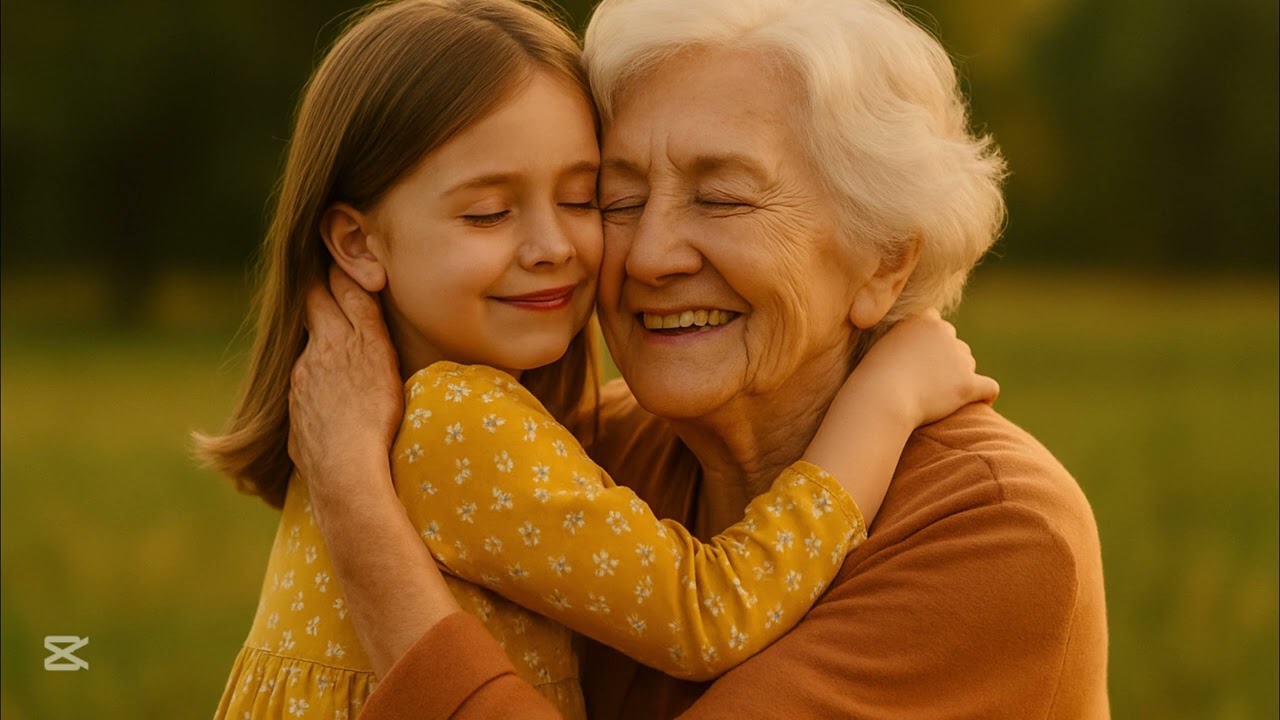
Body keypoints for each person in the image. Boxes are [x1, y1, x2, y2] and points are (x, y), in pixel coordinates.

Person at [289, 0, 1110, 718]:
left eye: (721, 197)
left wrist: (356, 505)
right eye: (616, 199)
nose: (648, 256)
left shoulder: (998, 535)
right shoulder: (596, 446)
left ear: (884, 260)